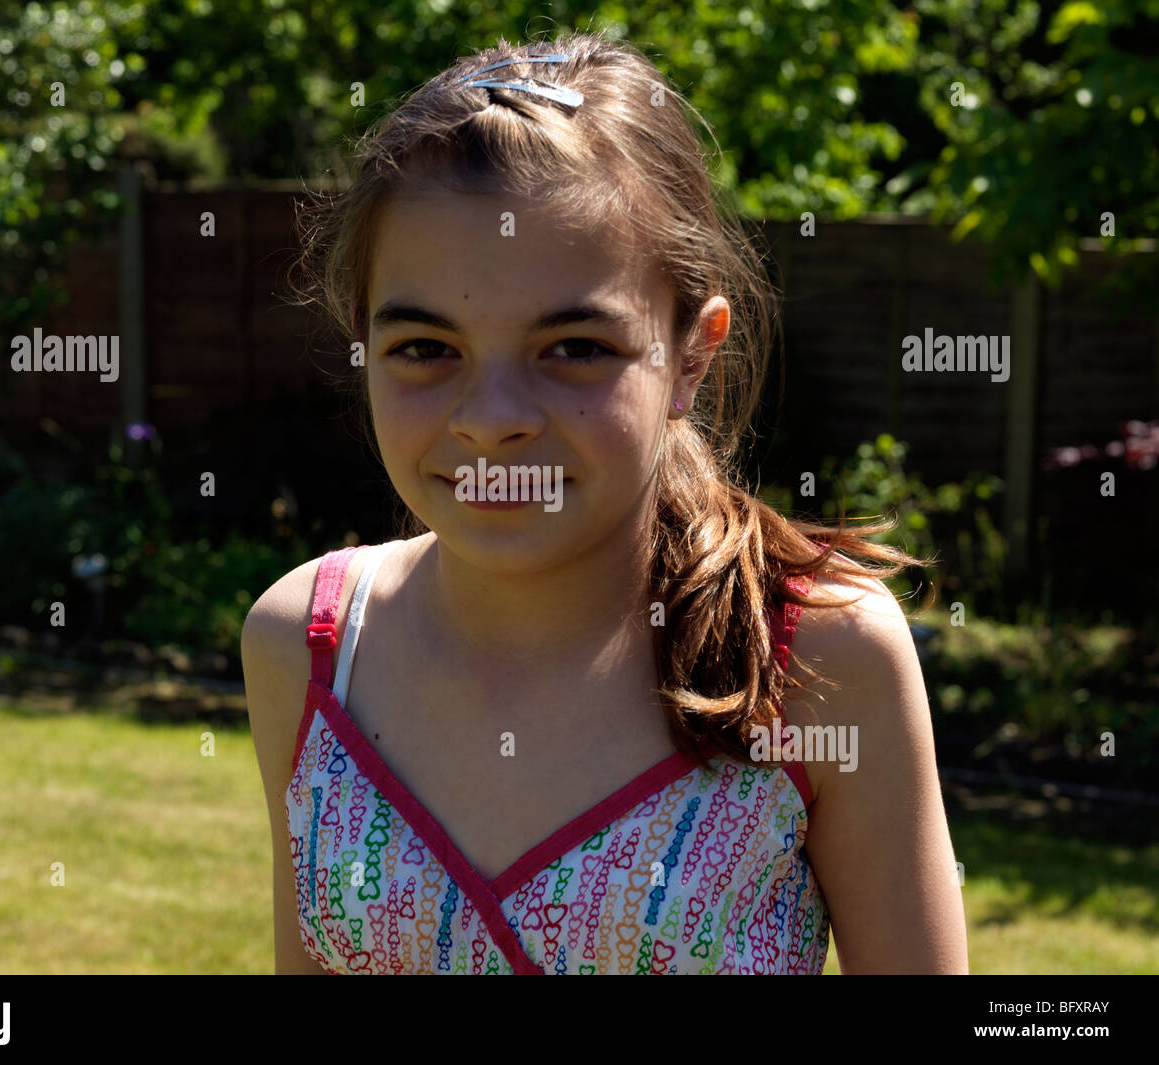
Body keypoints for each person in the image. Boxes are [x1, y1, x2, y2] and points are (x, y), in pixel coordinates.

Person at [242, 31, 968, 974]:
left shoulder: (818, 657)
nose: (492, 420)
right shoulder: (307, 648)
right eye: (426, 347)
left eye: (574, 348)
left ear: (691, 354)